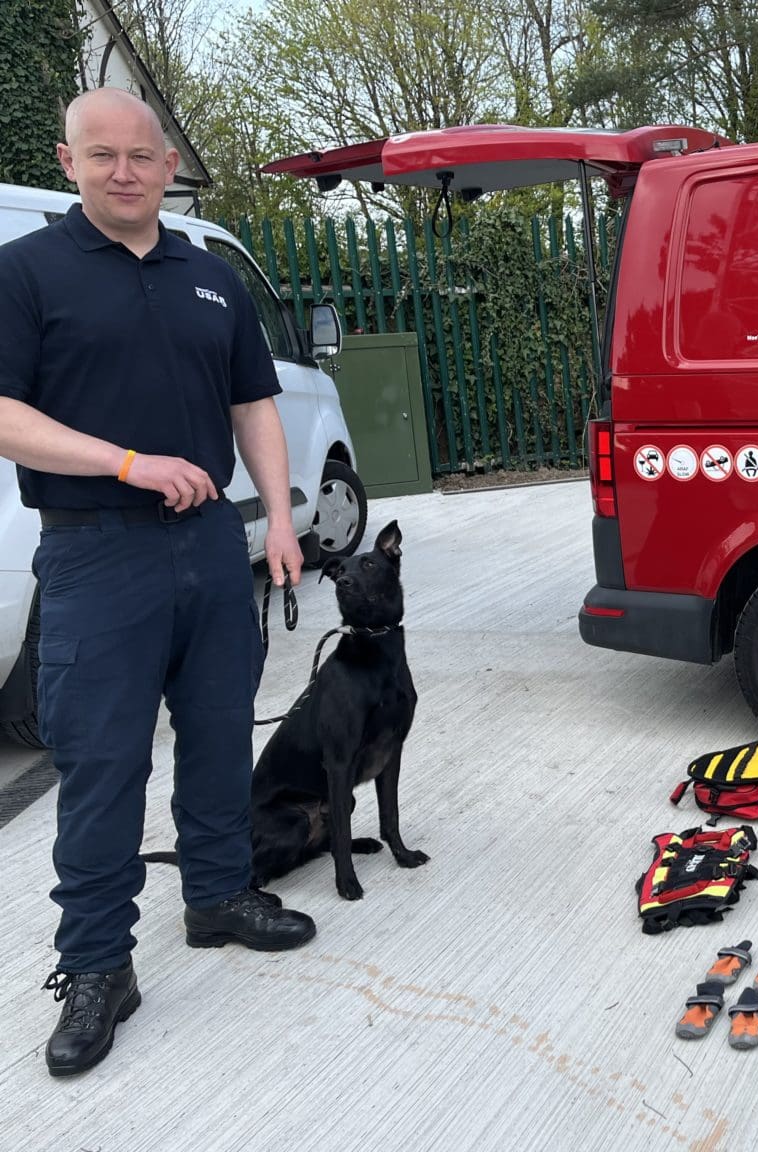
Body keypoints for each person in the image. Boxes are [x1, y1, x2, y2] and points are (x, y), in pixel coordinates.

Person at [0, 88, 317, 1077]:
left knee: (222, 731)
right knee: (103, 766)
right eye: (104, 156)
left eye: (142, 156)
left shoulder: (209, 275)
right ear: (69, 161)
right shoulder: (26, 272)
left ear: (168, 162)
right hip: (99, 551)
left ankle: (219, 897)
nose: (126, 172)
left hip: (214, 551)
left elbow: (253, 401)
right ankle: (94, 967)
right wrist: (127, 464)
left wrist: (278, 521)